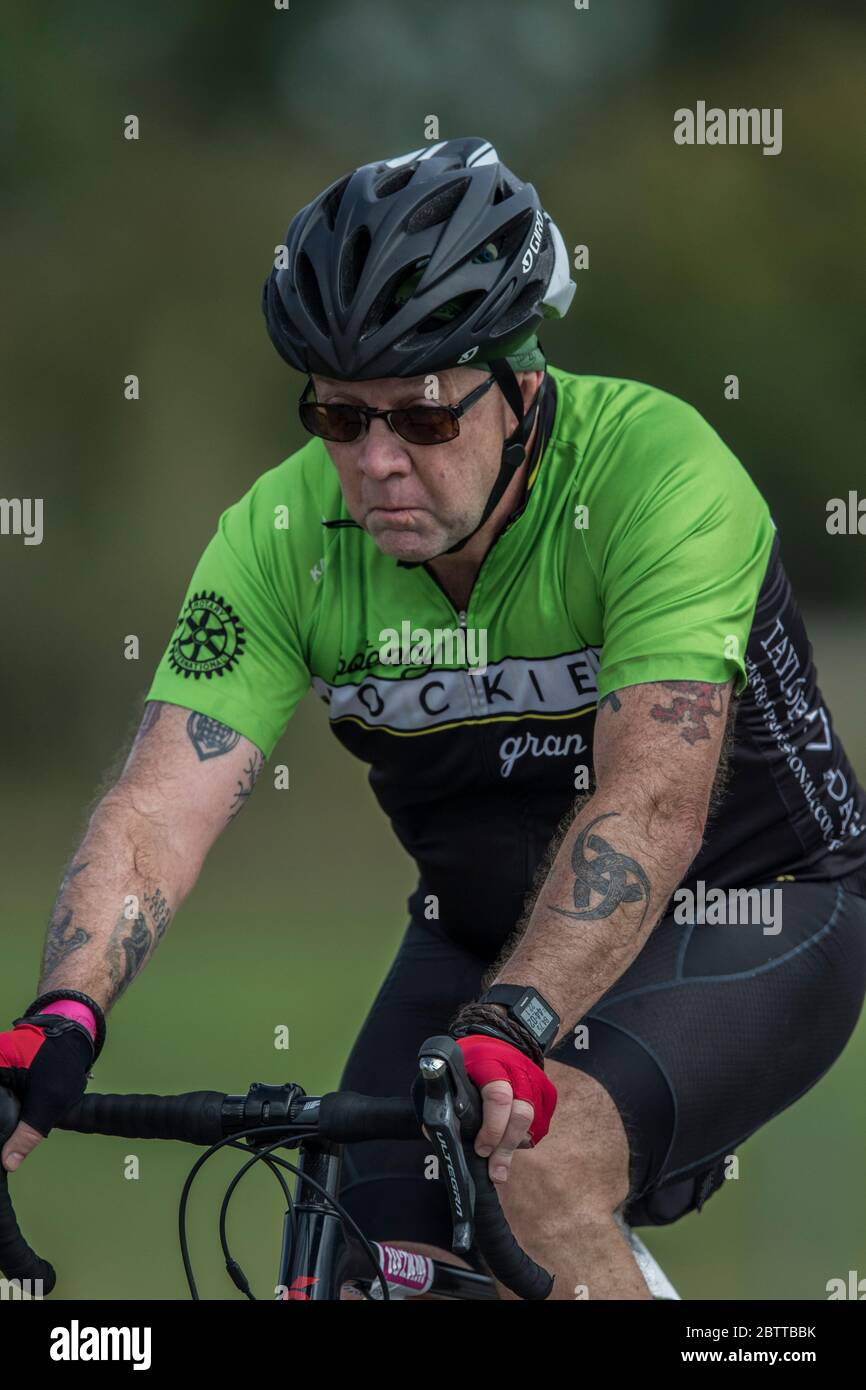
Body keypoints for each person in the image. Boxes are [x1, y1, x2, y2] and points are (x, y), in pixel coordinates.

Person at [3, 137, 865, 1301]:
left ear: (518, 384)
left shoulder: (657, 477)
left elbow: (649, 798)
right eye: (335, 416)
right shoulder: (278, 535)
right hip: (474, 930)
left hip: (748, 910)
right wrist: (62, 1013)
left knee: (536, 1170)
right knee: (349, 1243)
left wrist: (513, 1023)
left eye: (417, 417)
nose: (373, 464)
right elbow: (161, 800)